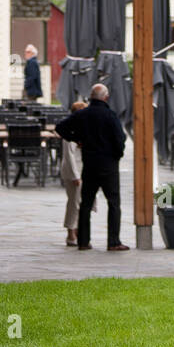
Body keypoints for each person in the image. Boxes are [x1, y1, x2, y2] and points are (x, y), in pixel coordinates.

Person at [55, 82, 128, 251]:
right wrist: (117, 155)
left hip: (89, 163)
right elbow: (120, 139)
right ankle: (113, 241)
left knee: (85, 204)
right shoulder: (110, 115)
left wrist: (77, 139)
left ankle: (83, 241)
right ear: (106, 97)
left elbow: (61, 128)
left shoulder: (83, 114)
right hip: (108, 164)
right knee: (114, 203)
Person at [60, 100, 88, 246]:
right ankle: (71, 232)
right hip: (73, 172)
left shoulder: (84, 128)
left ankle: (75, 229)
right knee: (74, 203)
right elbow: (69, 155)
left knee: (79, 202)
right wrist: (75, 175)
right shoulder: (70, 130)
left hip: (81, 169)